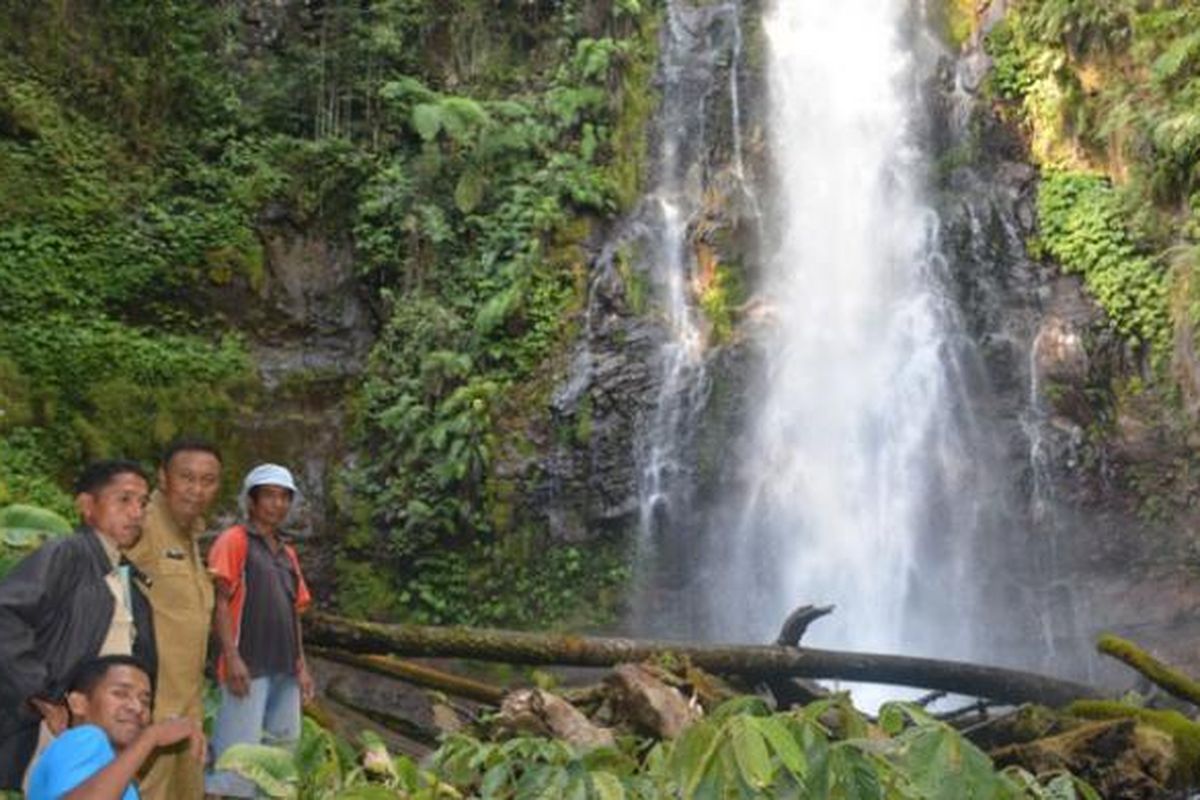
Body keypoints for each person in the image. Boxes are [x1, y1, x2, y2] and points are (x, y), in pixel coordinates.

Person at [0, 460, 158, 790]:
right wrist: (40, 695)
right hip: (58, 728)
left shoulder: (125, 576)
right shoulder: (66, 554)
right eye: (124, 499)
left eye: (142, 503)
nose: (136, 512)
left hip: (98, 733)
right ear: (87, 505)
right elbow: (6, 613)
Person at [206, 464, 314, 798]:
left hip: (285, 668)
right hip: (247, 667)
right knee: (237, 760)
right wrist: (232, 656)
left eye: (284, 497)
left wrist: (302, 665)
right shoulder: (234, 541)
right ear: (251, 501)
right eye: (269, 495)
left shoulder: (288, 553)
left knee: (280, 757)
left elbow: (295, 612)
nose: (277, 504)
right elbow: (220, 601)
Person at [124, 438, 221, 800]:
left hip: (188, 708)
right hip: (150, 709)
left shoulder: (192, 535)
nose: (197, 490)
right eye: (187, 478)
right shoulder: (144, 522)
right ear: (163, 478)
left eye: (208, 480)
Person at [26, 654, 203, 800]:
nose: (137, 707)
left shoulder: (110, 766)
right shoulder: (85, 737)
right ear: (78, 703)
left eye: (145, 701)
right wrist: (150, 737)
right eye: (120, 693)